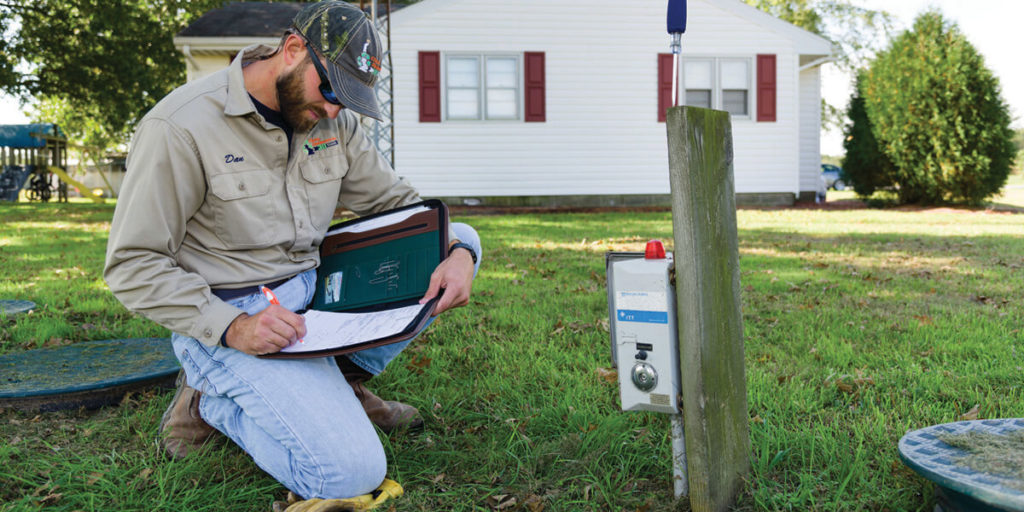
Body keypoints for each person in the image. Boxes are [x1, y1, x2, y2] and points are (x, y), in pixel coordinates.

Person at [103, 0, 480, 501]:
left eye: (347, 100)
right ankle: (209, 401)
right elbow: (132, 264)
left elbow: (400, 205)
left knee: (463, 239)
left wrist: (456, 253)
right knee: (351, 476)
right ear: (294, 49)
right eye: (330, 91)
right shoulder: (180, 127)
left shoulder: (333, 122)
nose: (333, 111)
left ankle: (336, 384)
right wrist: (236, 328)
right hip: (236, 312)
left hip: (316, 292)